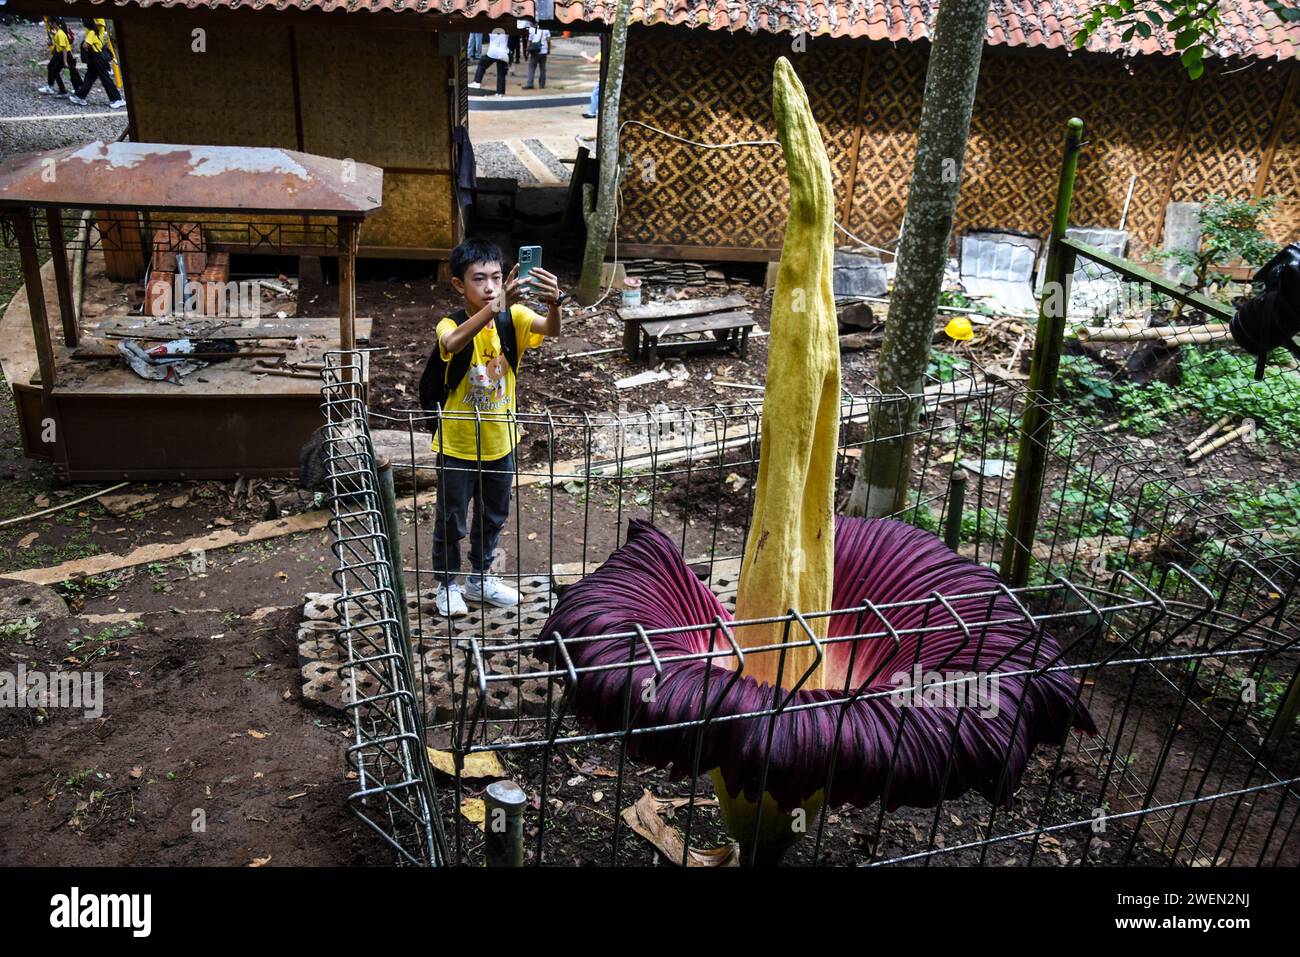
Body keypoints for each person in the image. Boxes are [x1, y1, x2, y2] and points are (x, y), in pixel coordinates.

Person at [428, 239, 565, 616]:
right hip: (457, 443)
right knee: (451, 518)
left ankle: (481, 578)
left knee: (493, 515)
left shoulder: (514, 317)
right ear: (459, 285)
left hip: (501, 440)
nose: (489, 287)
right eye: (479, 280)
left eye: (496, 278)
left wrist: (554, 302)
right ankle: (447, 584)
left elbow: (549, 330)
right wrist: (495, 307)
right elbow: (453, 343)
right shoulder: (452, 322)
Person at [68, 17, 123, 108]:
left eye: (83, 21)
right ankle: (80, 96)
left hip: (97, 58)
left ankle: (117, 99)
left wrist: (83, 44)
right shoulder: (95, 31)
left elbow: (86, 45)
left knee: (105, 78)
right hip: (95, 58)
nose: (82, 22)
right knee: (89, 77)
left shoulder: (91, 33)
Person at [37, 18, 80, 97]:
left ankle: (67, 90)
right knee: (53, 68)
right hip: (60, 53)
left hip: (64, 54)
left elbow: (64, 49)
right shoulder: (58, 32)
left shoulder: (60, 33)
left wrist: (65, 61)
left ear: (54, 23)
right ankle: (61, 88)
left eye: (50, 23)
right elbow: (59, 45)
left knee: (68, 71)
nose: (49, 25)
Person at [468, 28, 509, 98]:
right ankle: (500, 92)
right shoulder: (506, 31)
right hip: (504, 53)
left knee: (482, 64)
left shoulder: (492, 29)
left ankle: (477, 82)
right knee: (501, 74)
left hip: (492, 53)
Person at [523, 20, 550, 90]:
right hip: (544, 51)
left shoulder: (531, 29)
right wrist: (548, 50)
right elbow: (548, 40)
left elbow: (529, 41)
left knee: (531, 68)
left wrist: (527, 52)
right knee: (543, 69)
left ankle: (530, 83)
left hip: (534, 52)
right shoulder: (546, 29)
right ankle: (542, 84)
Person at [580, 48, 600, 118]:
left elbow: (593, 61)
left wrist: (584, 55)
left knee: (595, 95)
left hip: (602, 78)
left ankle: (591, 112)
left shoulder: (603, 51)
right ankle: (594, 111)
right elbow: (592, 61)